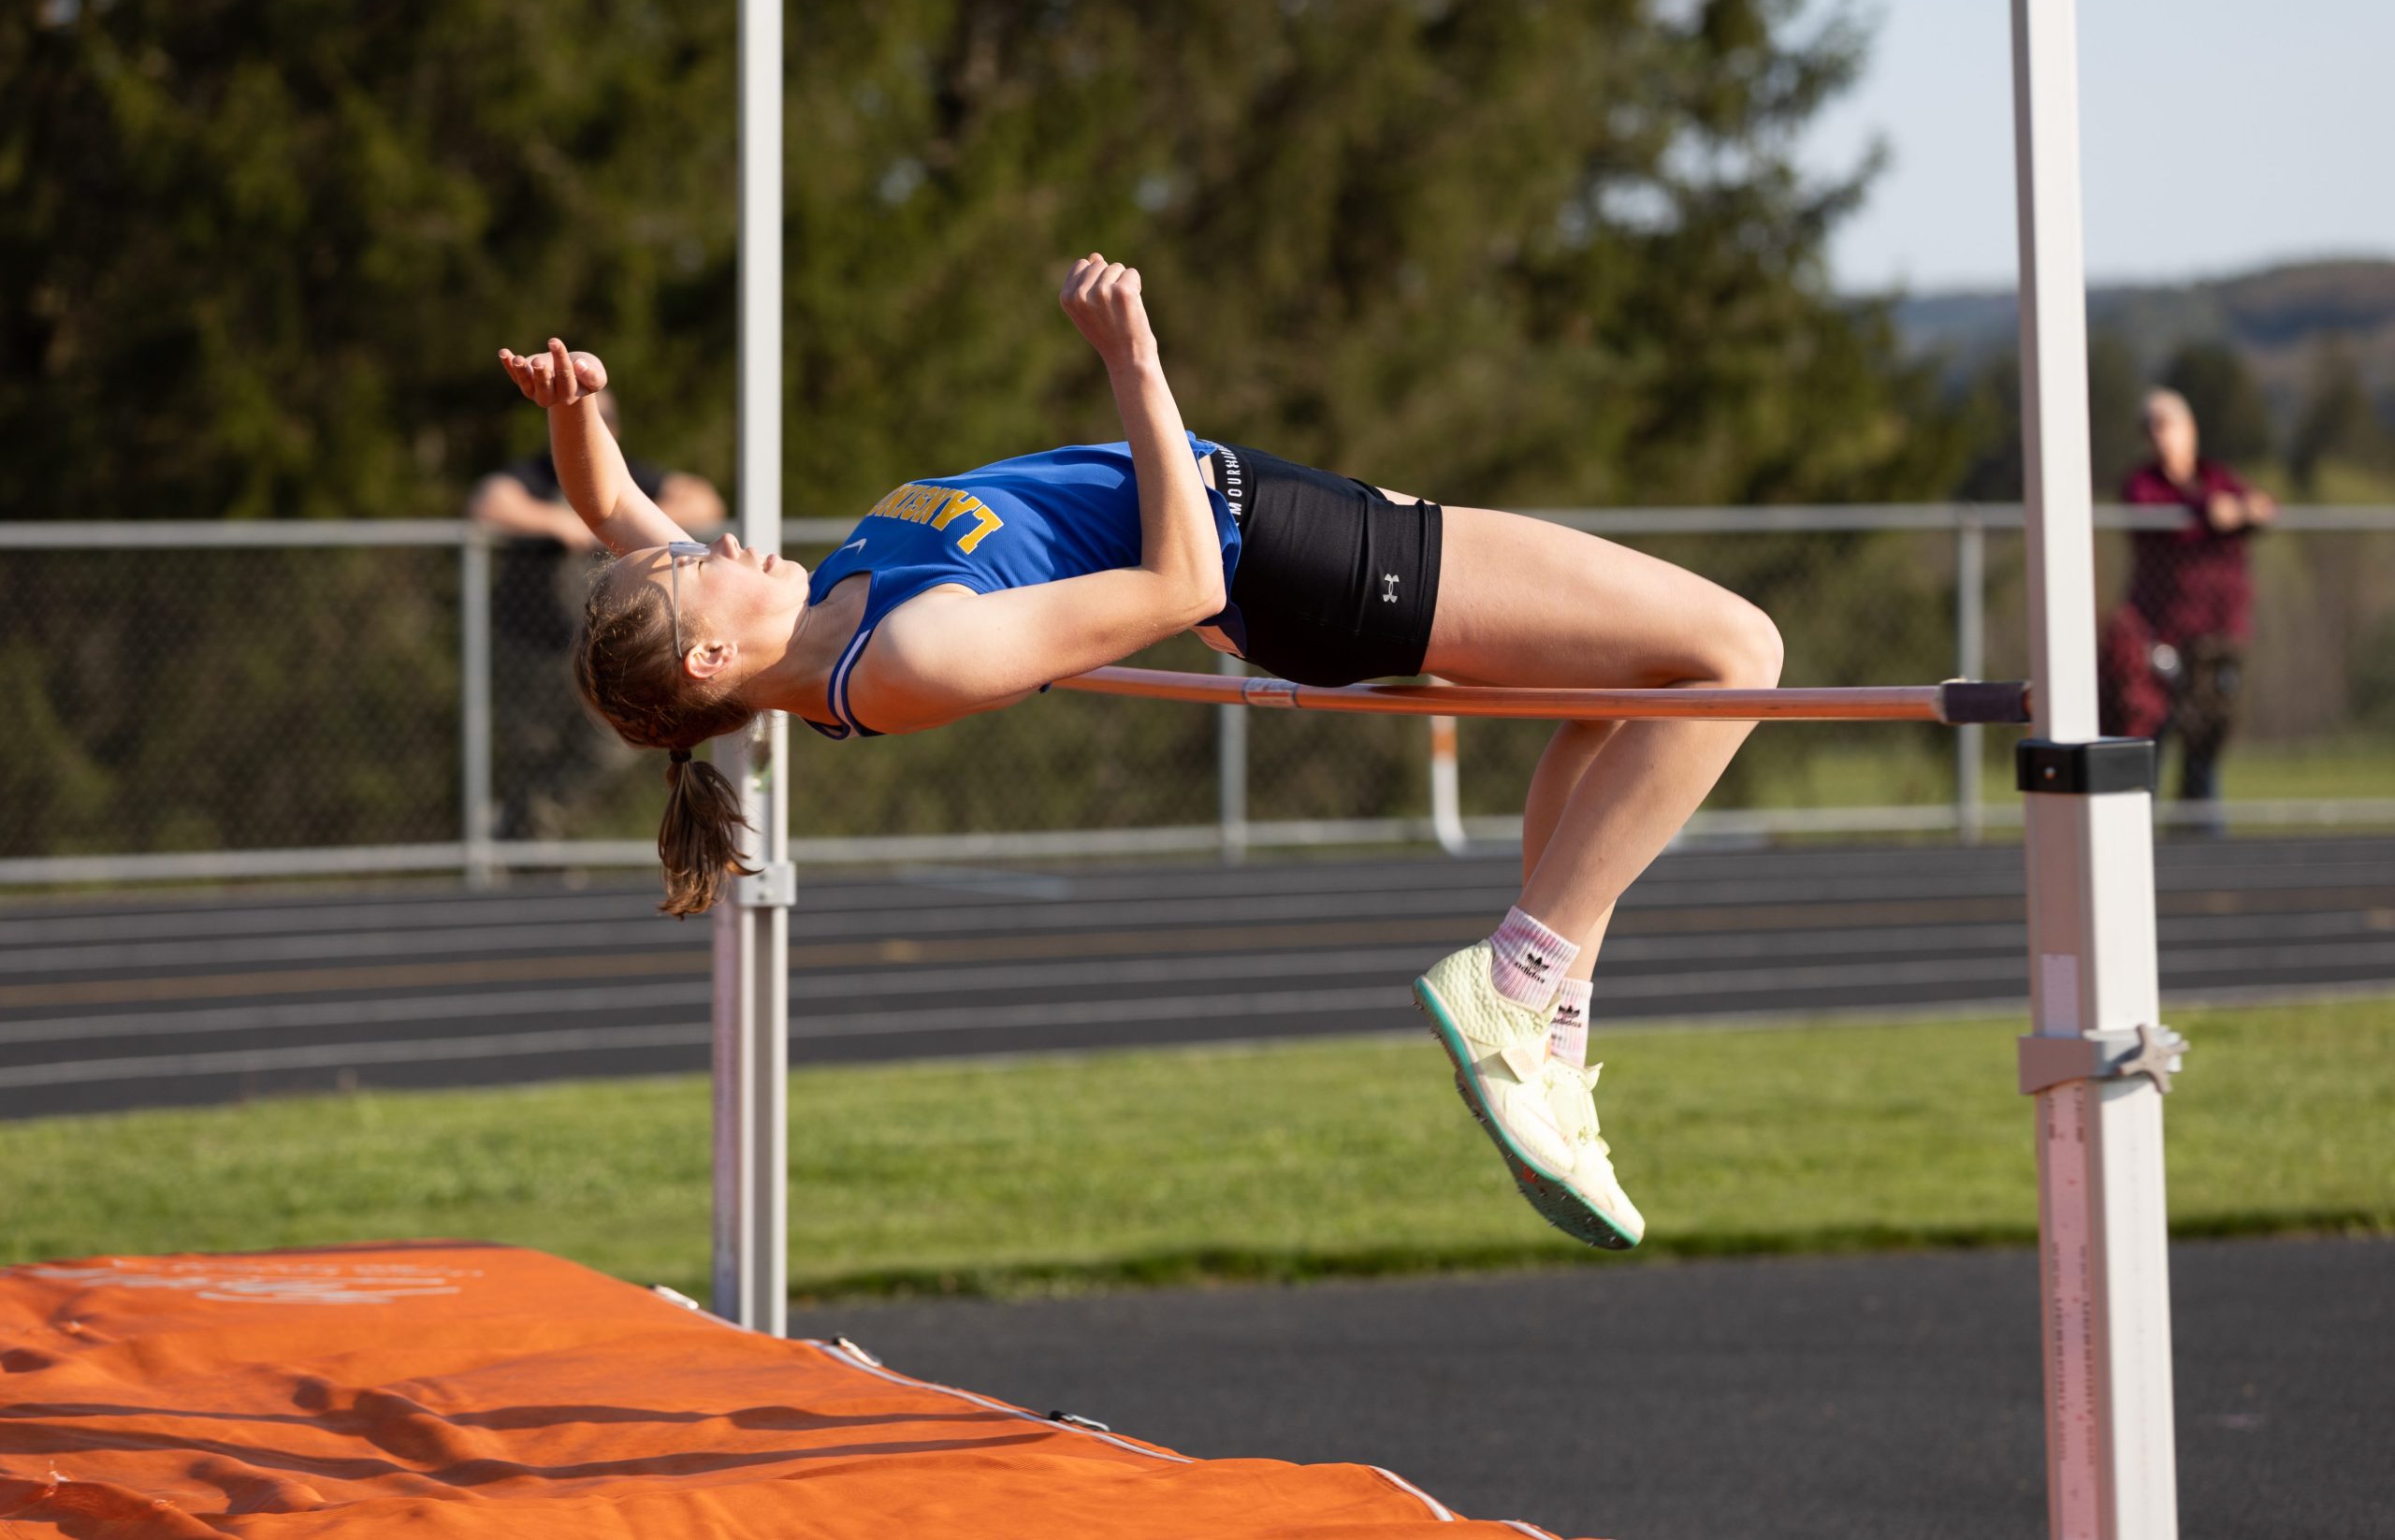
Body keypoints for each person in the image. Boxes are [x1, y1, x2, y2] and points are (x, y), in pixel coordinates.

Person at [495, 253, 1785, 1253]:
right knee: (1736, 652)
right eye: (692, 571)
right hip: (1286, 560)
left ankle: (1545, 1032)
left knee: (1620, 694)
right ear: (711, 663)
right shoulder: (906, 656)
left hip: (1284, 533)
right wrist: (1134, 356)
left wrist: (580, 411)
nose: (711, 542)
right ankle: (1521, 981)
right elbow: (1180, 576)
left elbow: (612, 515)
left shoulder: (828, 603)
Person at [468, 392, 725, 838]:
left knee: (612, 743)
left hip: (607, 652)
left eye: (601, 416)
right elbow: (489, 501)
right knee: (529, 747)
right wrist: (555, 522)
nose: (591, 423)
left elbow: (704, 501)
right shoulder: (538, 475)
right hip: (535, 649)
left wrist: (622, 521)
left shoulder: (630, 479)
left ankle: (536, 822)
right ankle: (527, 844)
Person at [2098, 388, 2275, 821]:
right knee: (2150, 731)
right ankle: (2133, 833)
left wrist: (2240, 510)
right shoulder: (2144, 485)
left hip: (2218, 633)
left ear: (2190, 430)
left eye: (2167, 424)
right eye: (2151, 428)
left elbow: (2262, 508)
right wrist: (2207, 513)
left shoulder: (2217, 477)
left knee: (2206, 741)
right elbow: (2166, 518)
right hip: (2162, 632)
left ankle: (2201, 845)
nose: (2160, 437)